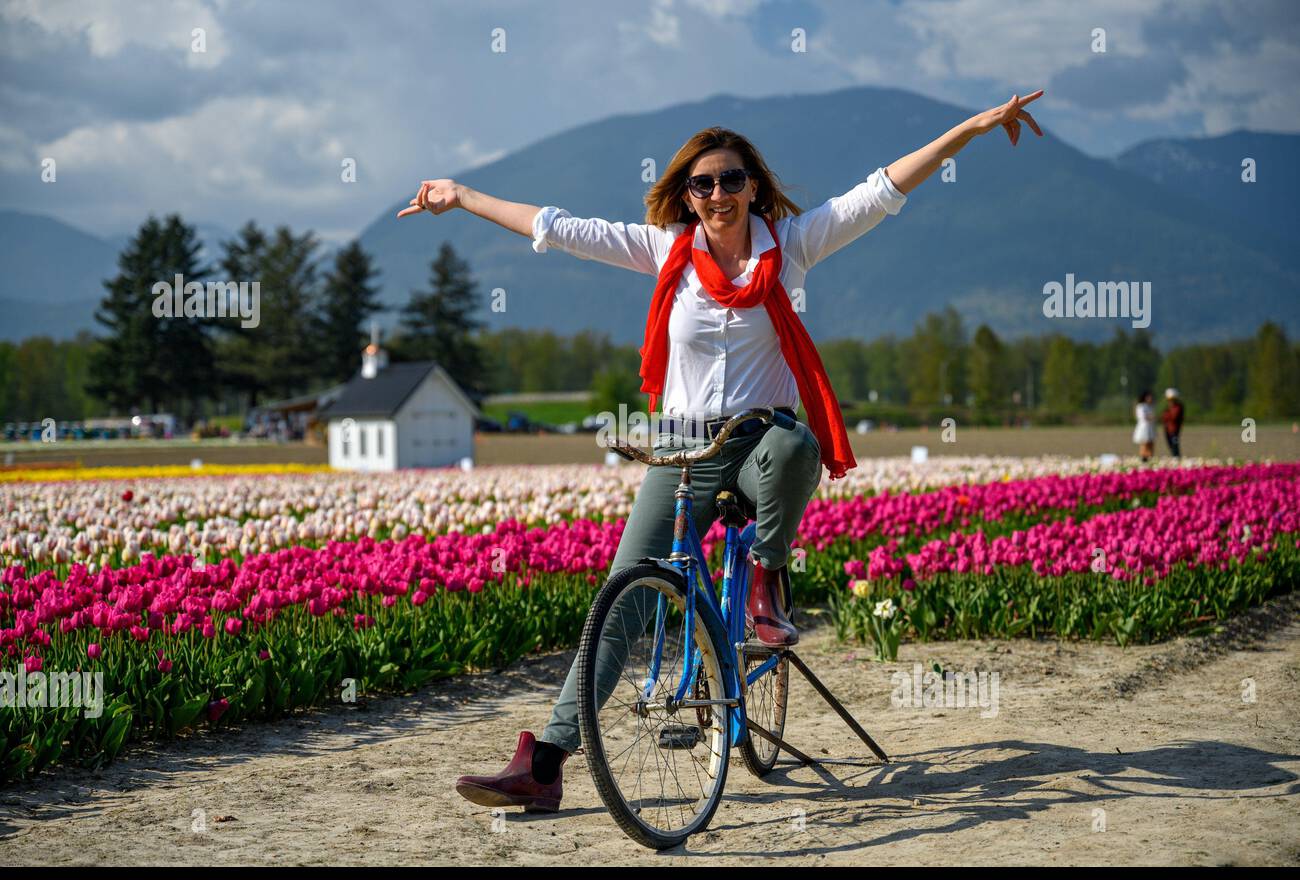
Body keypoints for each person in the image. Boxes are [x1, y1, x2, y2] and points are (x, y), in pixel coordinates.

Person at [398, 92, 1045, 813]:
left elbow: (881, 191)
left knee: (798, 444)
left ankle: (764, 579)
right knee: (622, 598)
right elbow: (559, 228)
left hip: (761, 437)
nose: (717, 194)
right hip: (683, 446)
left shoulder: (793, 243)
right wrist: (460, 195)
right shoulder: (664, 252)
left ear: (754, 187)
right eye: (701, 184)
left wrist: (973, 128)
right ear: (685, 195)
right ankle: (545, 762)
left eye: (731, 180)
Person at [1133, 390, 1156, 462]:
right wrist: (1151, 417)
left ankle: (1150, 458)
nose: (1151, 398)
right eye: (1149, 397)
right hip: (1144, 428)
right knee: (1144, 443)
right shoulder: (1141, 406)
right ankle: (1144, 459)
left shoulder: (1150, 406)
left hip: (1150, 427)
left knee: (1151, 443)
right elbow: (1143, 416)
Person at [1161, 387, 1184, 458]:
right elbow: (1163, 417)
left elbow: (1173, 417)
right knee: (1170, 444)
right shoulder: (1168, 407)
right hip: (1168, 429)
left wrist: (1166, 415)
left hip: (1174, 429)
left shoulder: (1178, 407)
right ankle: (1174, 456)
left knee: (1174, 444)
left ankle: (1176, 456)